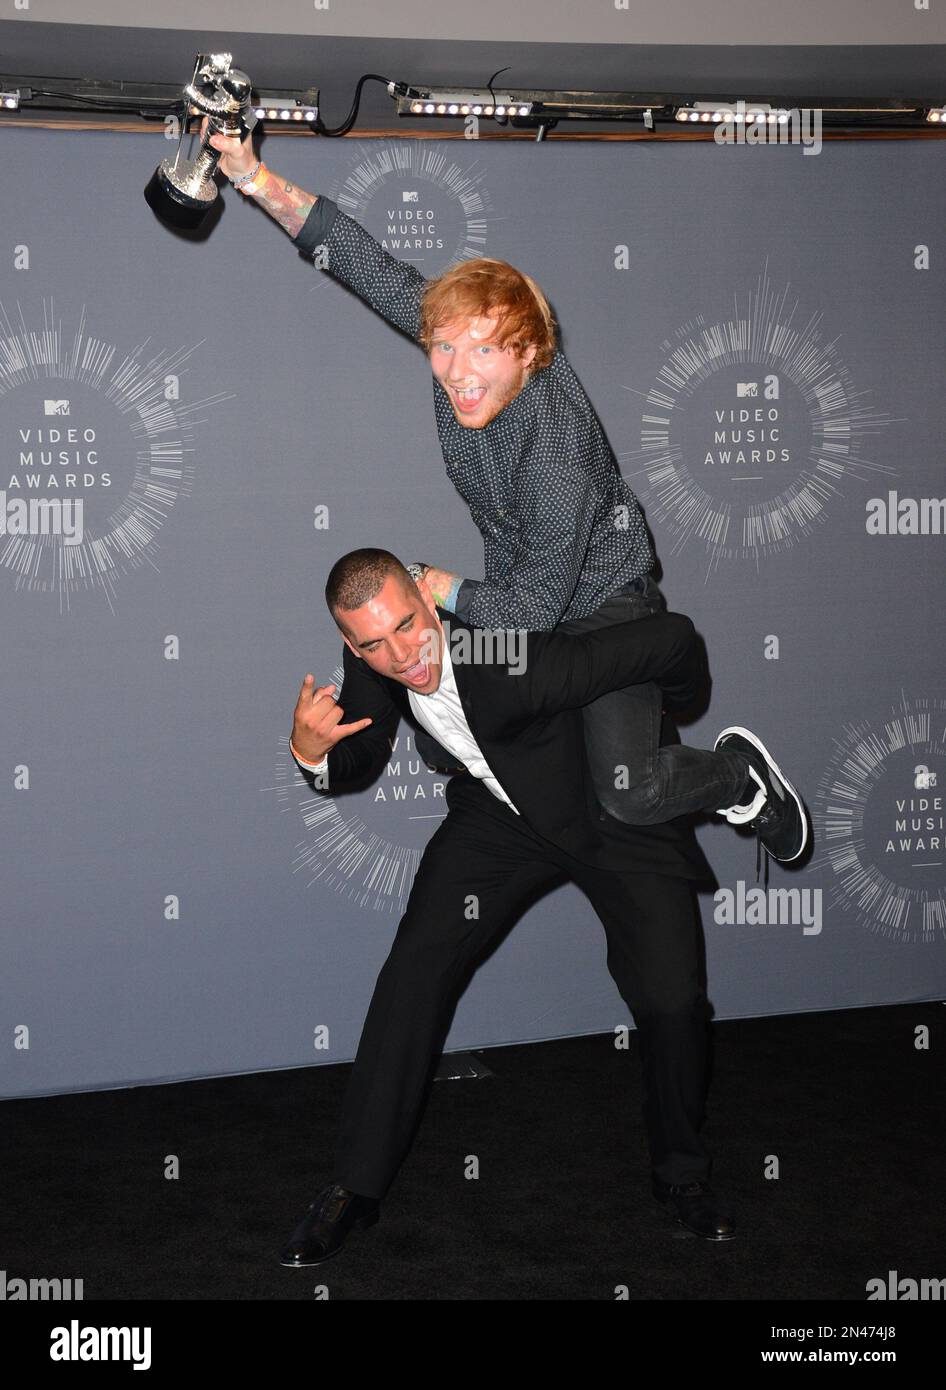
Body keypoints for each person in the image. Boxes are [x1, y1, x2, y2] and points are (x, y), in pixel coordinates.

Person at [201, 119, 802, 851]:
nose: (456, 371)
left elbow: (537, 609)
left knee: (630, 793)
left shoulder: (556, 452)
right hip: (521, 597)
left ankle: (740, 779)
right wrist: (250, 174)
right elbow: (355, 256)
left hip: (601, 608)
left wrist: (436, 584)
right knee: (446, 725)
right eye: (444, 347)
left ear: (527, 353)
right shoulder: (458, 353)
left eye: (481, 352)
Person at [277, 548, 807, 1267]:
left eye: (409, 627)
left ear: (431, 603)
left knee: (671, 1001)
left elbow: (672, 638)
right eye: (373, 643)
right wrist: (309, 753)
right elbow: (356, 759)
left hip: (609, 812)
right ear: (351, 643)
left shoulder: (513, 653)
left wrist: (675, 707)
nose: (402, 655)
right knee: (414, 973)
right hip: (501, 822)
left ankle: (682, 1176)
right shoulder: (376, 667)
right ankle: (353, 1188)